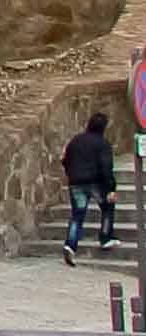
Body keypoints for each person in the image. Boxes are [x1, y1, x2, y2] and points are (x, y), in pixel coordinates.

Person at [68, 108, 120, 264]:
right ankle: (105, 237)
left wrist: (71, 174)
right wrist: (111, 188)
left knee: (77, 215)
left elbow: (66, 159)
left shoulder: (75, 141)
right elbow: (106, 167)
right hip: (95, 183)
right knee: (107, 207)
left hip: (76, 182)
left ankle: (70, 245)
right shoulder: (103, 144)